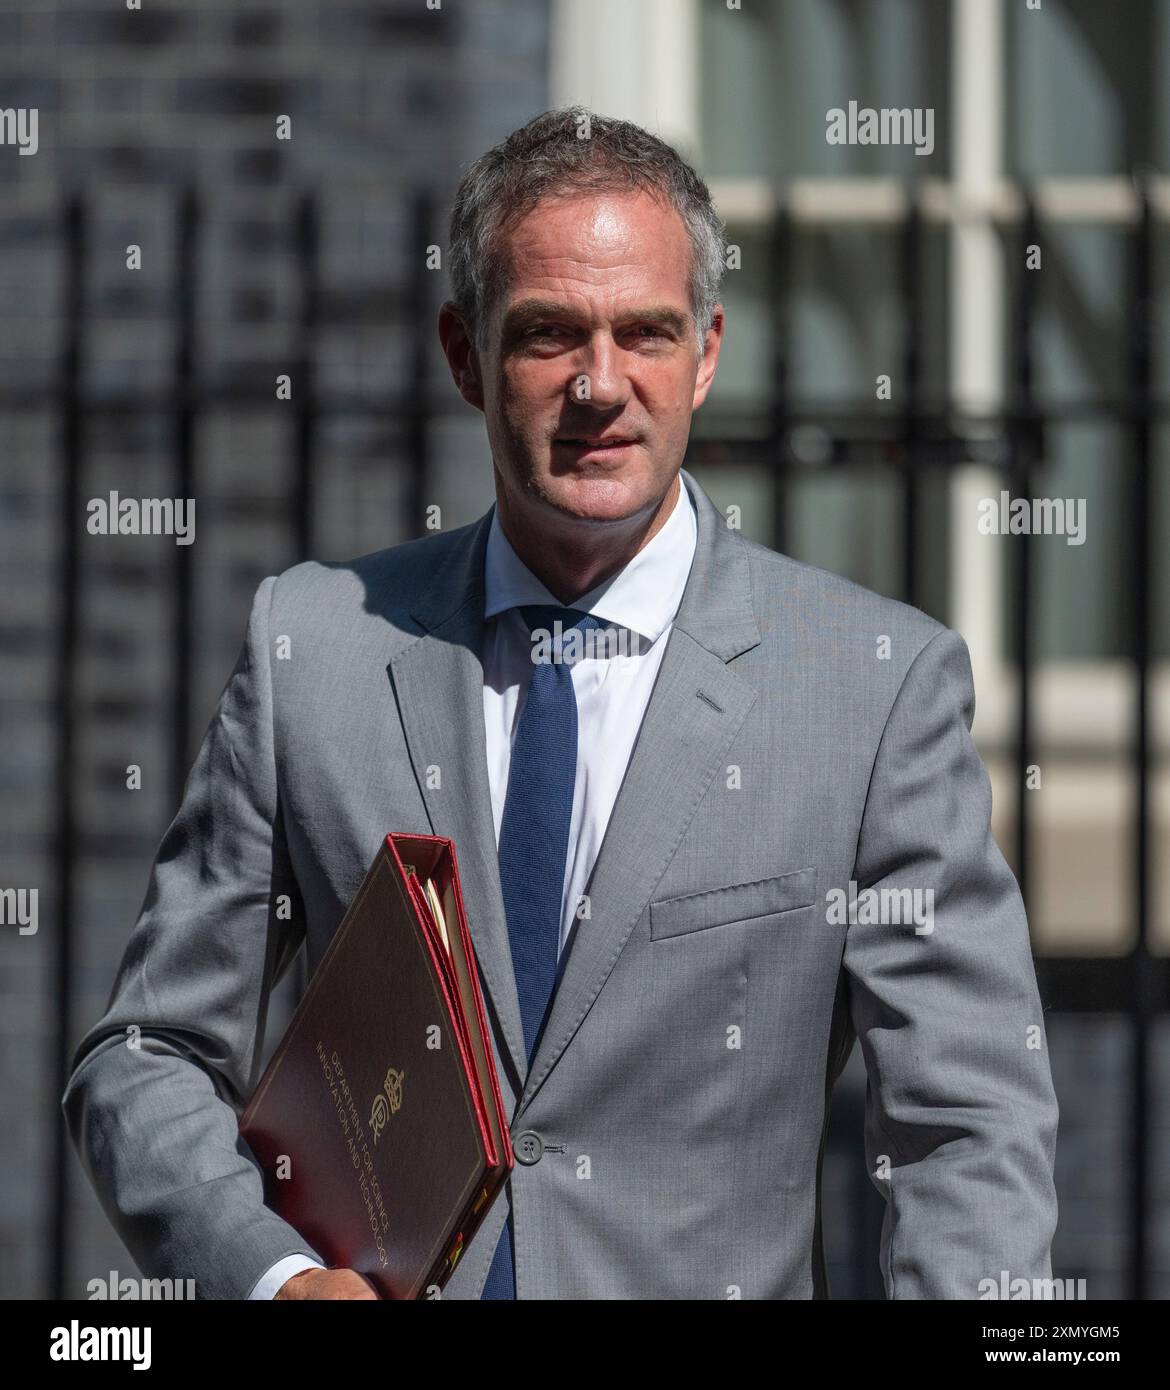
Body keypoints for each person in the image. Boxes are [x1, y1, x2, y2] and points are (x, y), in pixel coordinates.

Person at [63, 106, 1058, 1300]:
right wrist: (273, 1279)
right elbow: (144, 1054)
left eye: (645, 330)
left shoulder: (873, 688)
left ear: (707, 351)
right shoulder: (311, 651)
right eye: (548, 334)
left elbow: (969, 1126)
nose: (601, 383)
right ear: (463, 355)